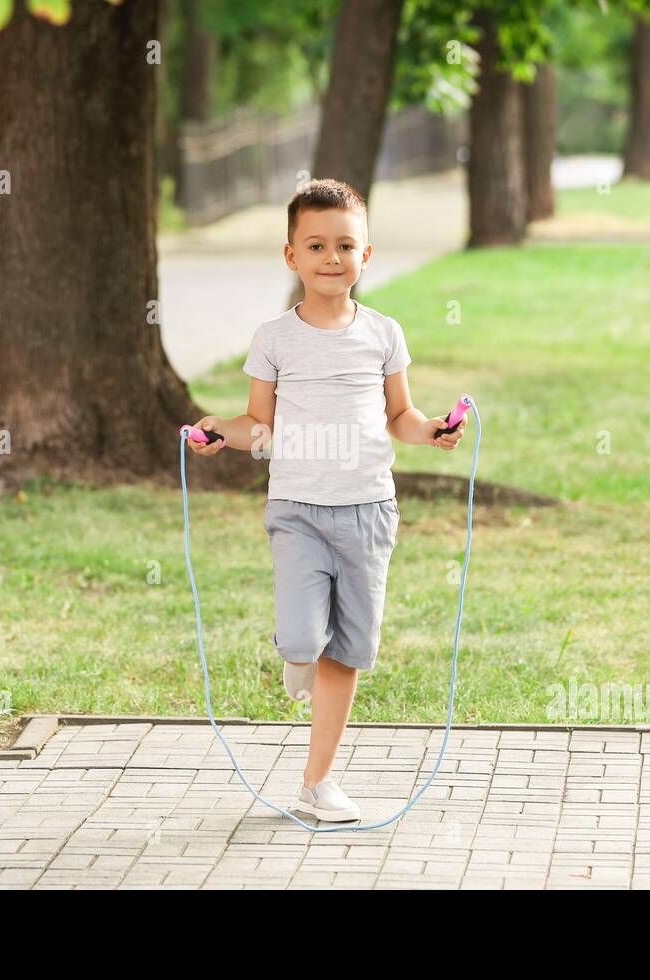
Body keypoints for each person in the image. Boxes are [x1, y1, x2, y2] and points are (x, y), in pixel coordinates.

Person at [184, 178, 465, 822]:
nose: (332, 257)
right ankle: (297, 654)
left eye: (346, 245)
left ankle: (319, 784)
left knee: (348, 651)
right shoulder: (275, 338)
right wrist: (217, 435)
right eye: (317, 245)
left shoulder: (384, 334)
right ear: (292, 257)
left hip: (369, 511)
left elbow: (401, 415)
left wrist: (431, 432)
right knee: (304, 640)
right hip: (298, 511)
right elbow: (262, 424)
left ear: (367, 254)